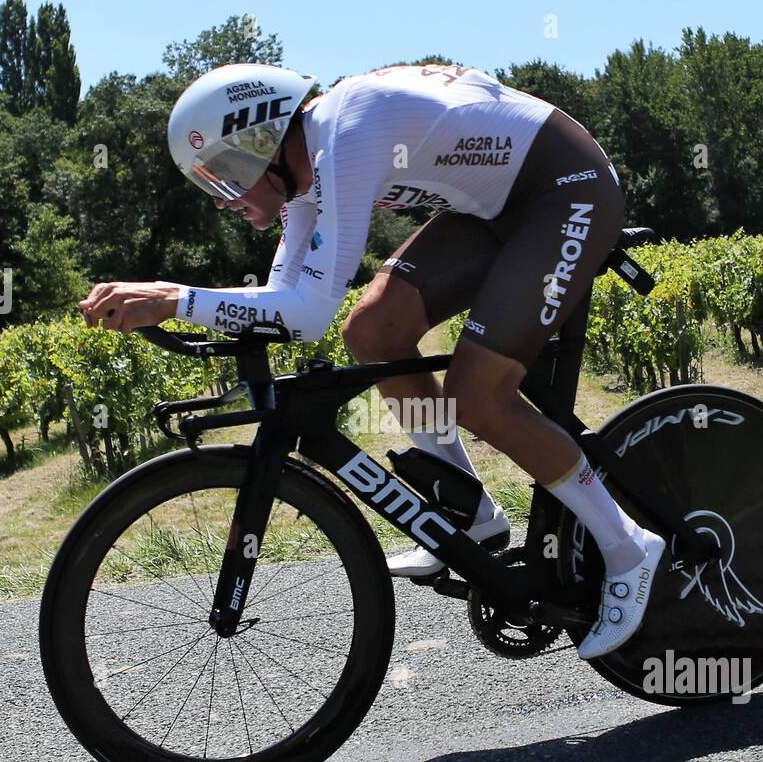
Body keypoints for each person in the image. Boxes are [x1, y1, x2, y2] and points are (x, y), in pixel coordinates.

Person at [79, 62, 664, 659]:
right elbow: (287, 306)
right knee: (374, 330)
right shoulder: (305, 174)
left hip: (566, 190)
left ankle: (628, 547)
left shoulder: (346, 140)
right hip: (498, 207)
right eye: (209, 184)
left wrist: (174, 299)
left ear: (264, 144)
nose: (224, 202)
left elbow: (304, 314)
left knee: (478, 394)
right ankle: (469, 512)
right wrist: (178, 304)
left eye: (225, 176)